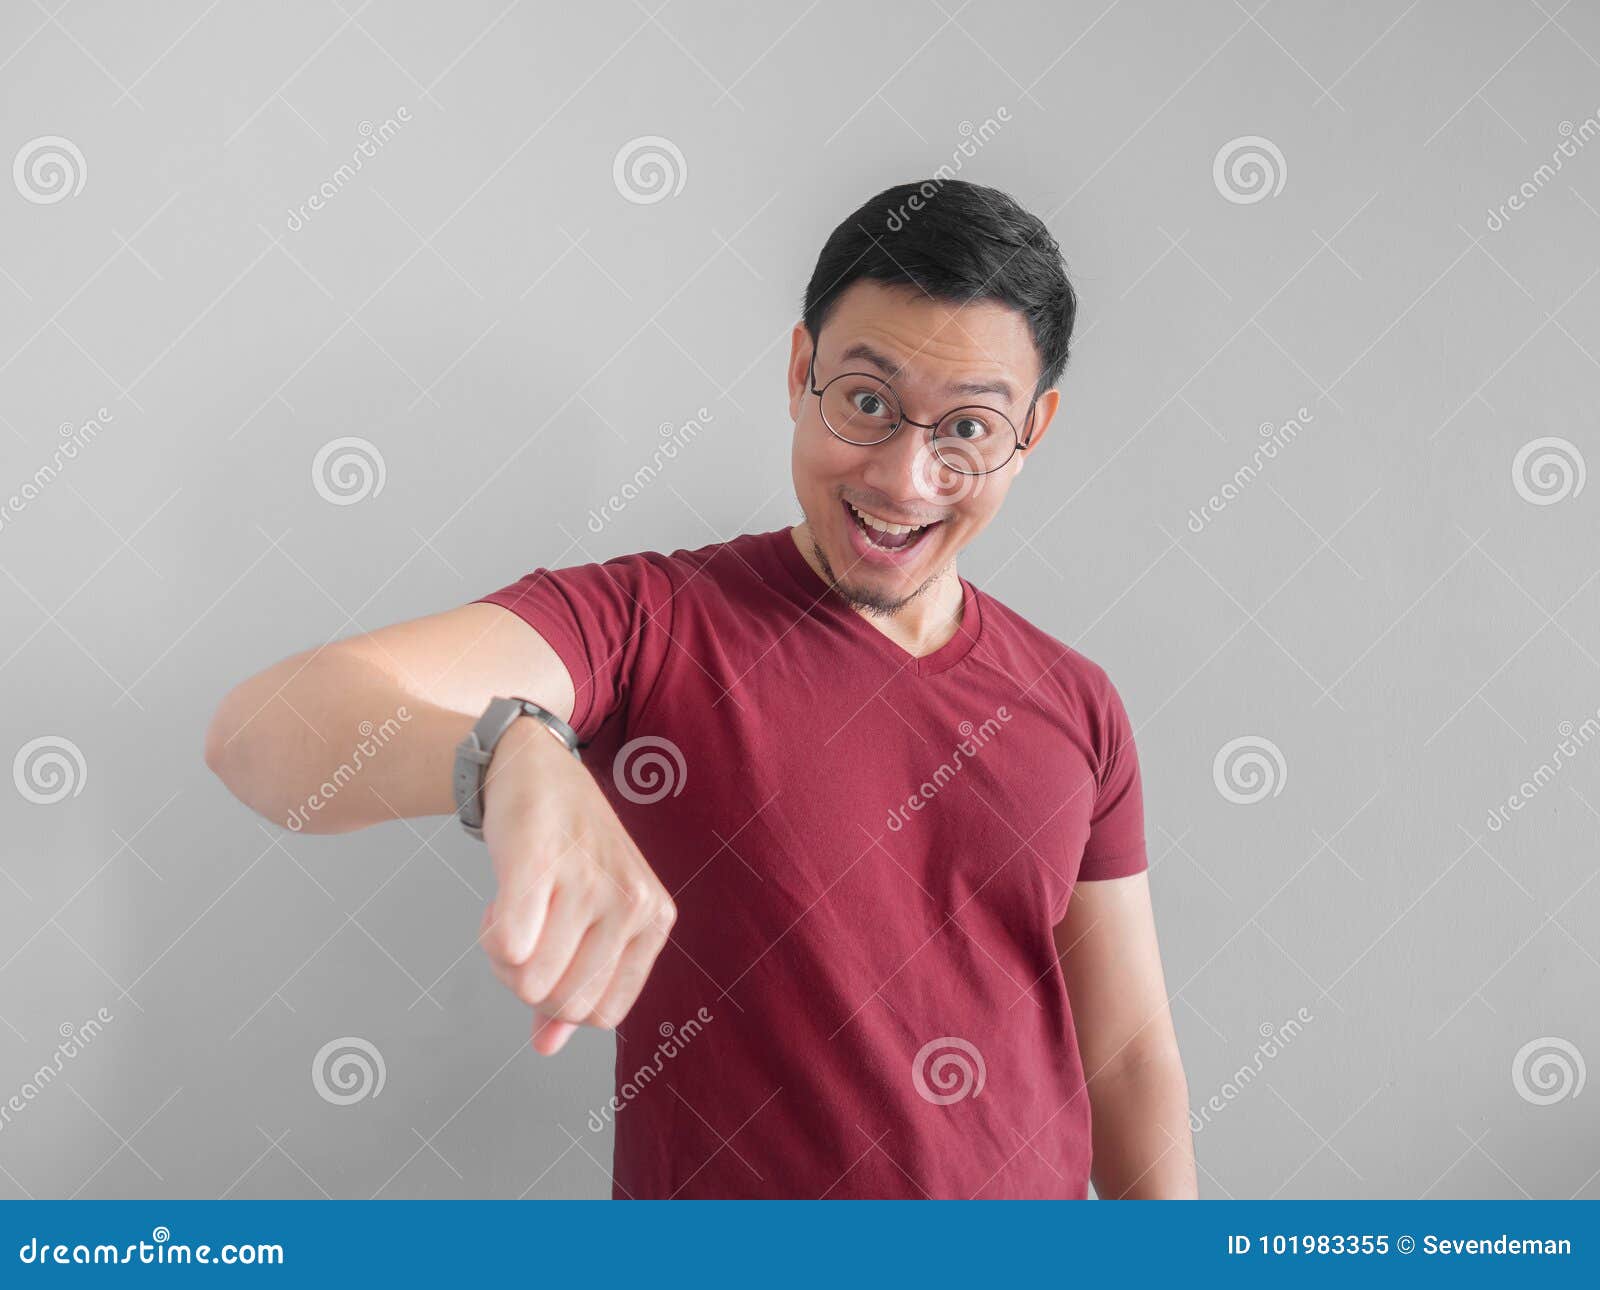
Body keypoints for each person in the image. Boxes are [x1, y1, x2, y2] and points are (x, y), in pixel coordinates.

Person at [205, 179, 1197, 1200]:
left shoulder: (1078, 703)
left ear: (1031, 432)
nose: (906, 477)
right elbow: (262, 738)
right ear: (801, 371)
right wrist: (510, 753)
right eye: (867, 402)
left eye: (968, 430)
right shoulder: (650, 623)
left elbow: (1123, 1057)